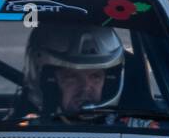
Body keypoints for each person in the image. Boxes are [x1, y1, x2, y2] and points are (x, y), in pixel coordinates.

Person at [15, 24, 160, 128]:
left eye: (95, 76)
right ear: (47, 82)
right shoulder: (20, 132)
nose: (85, 88)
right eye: (71, 77)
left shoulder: (141, 130)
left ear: (110, 81)